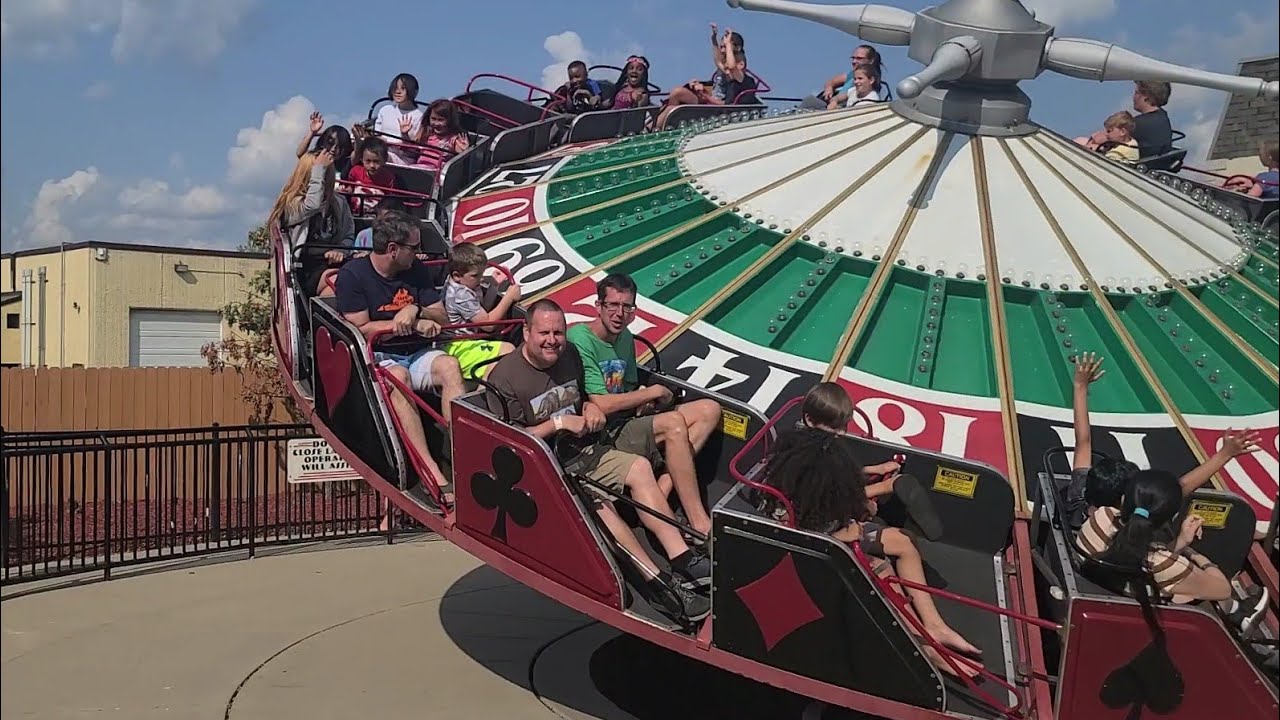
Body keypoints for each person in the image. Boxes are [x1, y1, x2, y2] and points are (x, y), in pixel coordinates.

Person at [484, 299, 712, 622]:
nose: (553, 340)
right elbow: (510, 446)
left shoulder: (570, 357)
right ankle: (661, 587)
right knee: (601, 506)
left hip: (583, 451)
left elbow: (585, 397)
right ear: (526, 332)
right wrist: (559, 425)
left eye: (558, 333)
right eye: (544, 333)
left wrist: (590, 407)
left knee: (640, 468)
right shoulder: (505, 378)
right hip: (546, 470)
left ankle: (684, 560)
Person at [761, 427, 982, 677]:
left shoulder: (815, 483)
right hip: (820, 556)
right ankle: (923, 646)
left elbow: (838, 501)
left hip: (838, 535)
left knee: (903, 543)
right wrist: (844, 534)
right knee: (881, 569)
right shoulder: (785, 505)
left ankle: (935, 626)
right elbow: (800, 541)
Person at [566, 274, 723, 538]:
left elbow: (624, 390)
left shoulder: (625, 337)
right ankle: (699, 522)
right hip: (600, 434)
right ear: (598, 306)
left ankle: (659, 493)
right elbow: (601, 404)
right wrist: (651, 391)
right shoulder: (580, 339)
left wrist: (643, 402)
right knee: (674, 425)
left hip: (625, 423)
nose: (619, 314)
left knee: (709, 410)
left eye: (627, 307)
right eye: (612, 305)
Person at [334, 210, 465, 502]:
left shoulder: (415, 271)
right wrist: (401, 323)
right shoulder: (353, 275)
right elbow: (360, 328)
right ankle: (431, 471)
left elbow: (441, 314)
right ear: (393, 249)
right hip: (382, 357)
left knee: (450, 365)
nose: (418, 254)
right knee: (399, 377)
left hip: (416, 351)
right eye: (413, 248)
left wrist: (417, 310)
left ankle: (462, 453)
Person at [1064, 352, 1261, 529]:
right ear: (1126, 501)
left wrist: (1079, 387)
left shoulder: (1079, 499)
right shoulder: (1133, 529)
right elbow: (1181, 487)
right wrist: (1225, 454)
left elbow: (1083, 442)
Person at [1077, 469, 1268, 634]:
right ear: (1173, 516)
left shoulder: (1101, 518)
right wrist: (1194, 553)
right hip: (1134, 620)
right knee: (1207, 596)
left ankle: (1237, 612)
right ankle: (1240, 612)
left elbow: (1137, 554)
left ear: (1125, 499)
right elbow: (1222, 588)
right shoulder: (1165, 565)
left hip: (1101, 600)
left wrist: (1181, 542)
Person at [797, 382, 942, 540]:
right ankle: (895, 488)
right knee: (904, 543)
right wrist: (863, 503)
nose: (842, 432)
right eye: (835, 427)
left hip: (835, 517)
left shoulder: (814, 448)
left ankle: (896, 487)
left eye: (844, 426)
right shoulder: (809, 456)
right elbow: (828, 493)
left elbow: (837, 475)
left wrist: (874, 469)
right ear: (809, 420)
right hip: (829, 530)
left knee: (892, 530)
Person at [269, 148, 354, 296]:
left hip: (333, 263)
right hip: (304, 267)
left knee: (359, 276)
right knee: (339, 282)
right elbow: (312, 205)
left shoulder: (339, 202)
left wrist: (341, 251)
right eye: (321, 172)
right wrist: (318, 169)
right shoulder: (291, 203)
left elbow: (348, 235)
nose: (325, 177)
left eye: (327, 172)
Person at [655, 25, 756, 130]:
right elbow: (719, 62)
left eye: (725, 47)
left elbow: (731, 68)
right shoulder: (731, 79)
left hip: (719, 113)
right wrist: (714, 40)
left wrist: (704, 95)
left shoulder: (743, 80)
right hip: (713, 105)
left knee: (675, 104)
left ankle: (662, 129)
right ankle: (652, 130)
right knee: (673, 101)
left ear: (741, 64)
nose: (726, 70)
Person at [442, 242, 519, 379]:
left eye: (482, 274)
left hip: (467, 341)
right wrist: (509, 298)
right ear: (457, 276)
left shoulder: (464, 284)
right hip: (458, 347)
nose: (481, 279)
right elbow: (488, 324)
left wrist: (494, 286)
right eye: (476, 275)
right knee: (508, 350)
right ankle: (483, 393)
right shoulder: (461, 294)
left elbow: (482, 312)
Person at [374, 73, 424, 166]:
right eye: (395, 88)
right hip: (381, 152)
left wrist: (404, 135)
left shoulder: (419, 117)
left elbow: (414, 149)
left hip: (403, 159)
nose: (398, 92)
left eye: (403, 88)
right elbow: (377, 135)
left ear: (414, 92)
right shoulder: (385, 110)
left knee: (375, 156)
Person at [344, 136, 402, 216]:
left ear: (384, 160)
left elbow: (390, 201)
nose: (372, 166)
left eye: (376, 161)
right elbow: (350, 187)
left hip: (376, 217)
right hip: (354, 215)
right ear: (361, 159)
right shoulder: (355, 172)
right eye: (368, 161)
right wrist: (346, 190)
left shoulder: (389, 179)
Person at [413, 99, 470, 174]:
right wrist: (405, 134)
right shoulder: (427, 133)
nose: (436, 123)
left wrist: (464, 151)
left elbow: (459, 153)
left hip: (436, 173)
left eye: (440, 120)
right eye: (433, 119)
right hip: (419, 168)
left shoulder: (453, 139)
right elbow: (413, 147)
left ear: (450, 120)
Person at [297, 112, 355, 177]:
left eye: (339, 147)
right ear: (323, 141)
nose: (333, 149)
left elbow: (356, 155)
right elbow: (300, 154)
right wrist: (312, 132)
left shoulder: (346, 167)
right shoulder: (316, 159)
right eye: (330, 143)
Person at [1130, 80, 1173, 162]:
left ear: (1146, 96)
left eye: (1136, 93)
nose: (1133, 97)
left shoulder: (1138, 124)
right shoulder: (1163, 119)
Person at [1075, 111, 1140, 164]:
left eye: (1109, 131)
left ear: (1122, 132)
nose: (1106, 134)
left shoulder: (1116, 154)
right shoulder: (1132, 143)